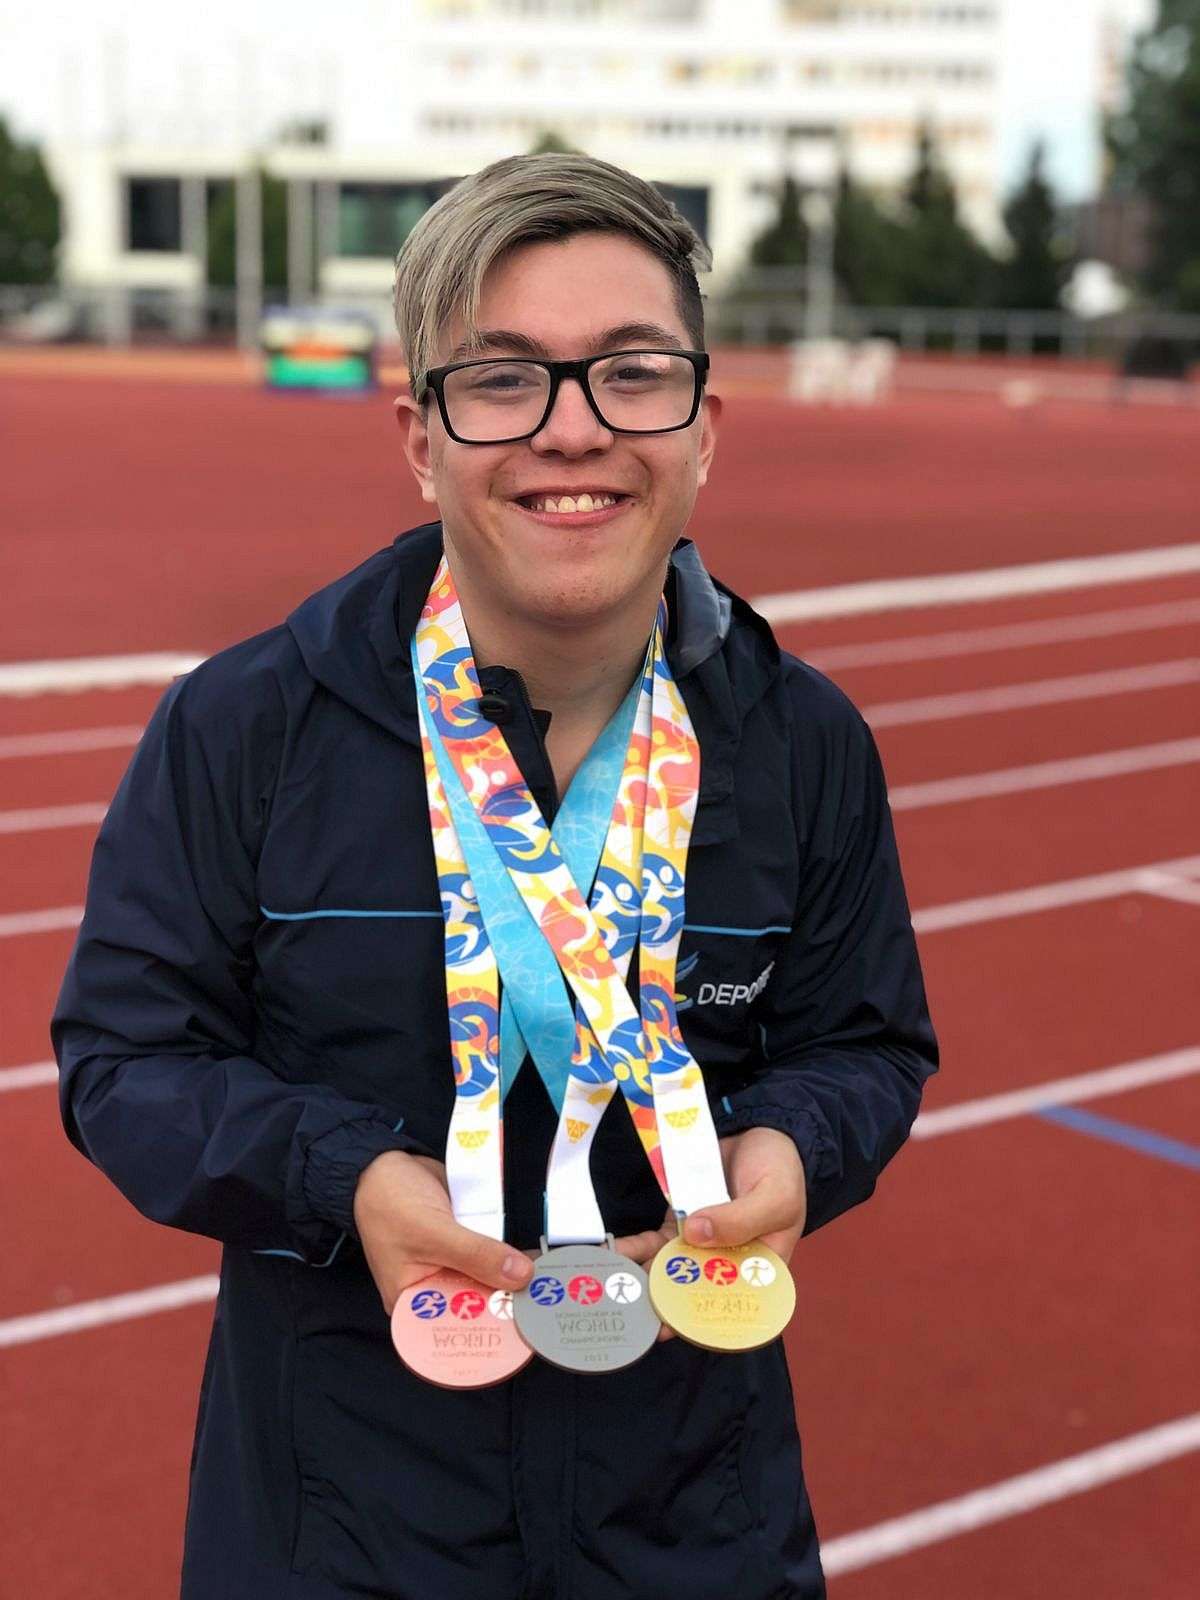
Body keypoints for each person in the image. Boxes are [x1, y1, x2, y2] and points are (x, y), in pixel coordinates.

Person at [53, 152, 938, 1600]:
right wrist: (345, 1181)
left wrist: (789, 1154)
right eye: (505, 379)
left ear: (703, 425)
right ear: (420, 435)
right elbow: (122, 1062)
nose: (572, 433)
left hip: (694, 1525)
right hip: (337, 1536)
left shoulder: (804, 744)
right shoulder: (245, 729)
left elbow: (866, 1045)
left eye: (630, 375)